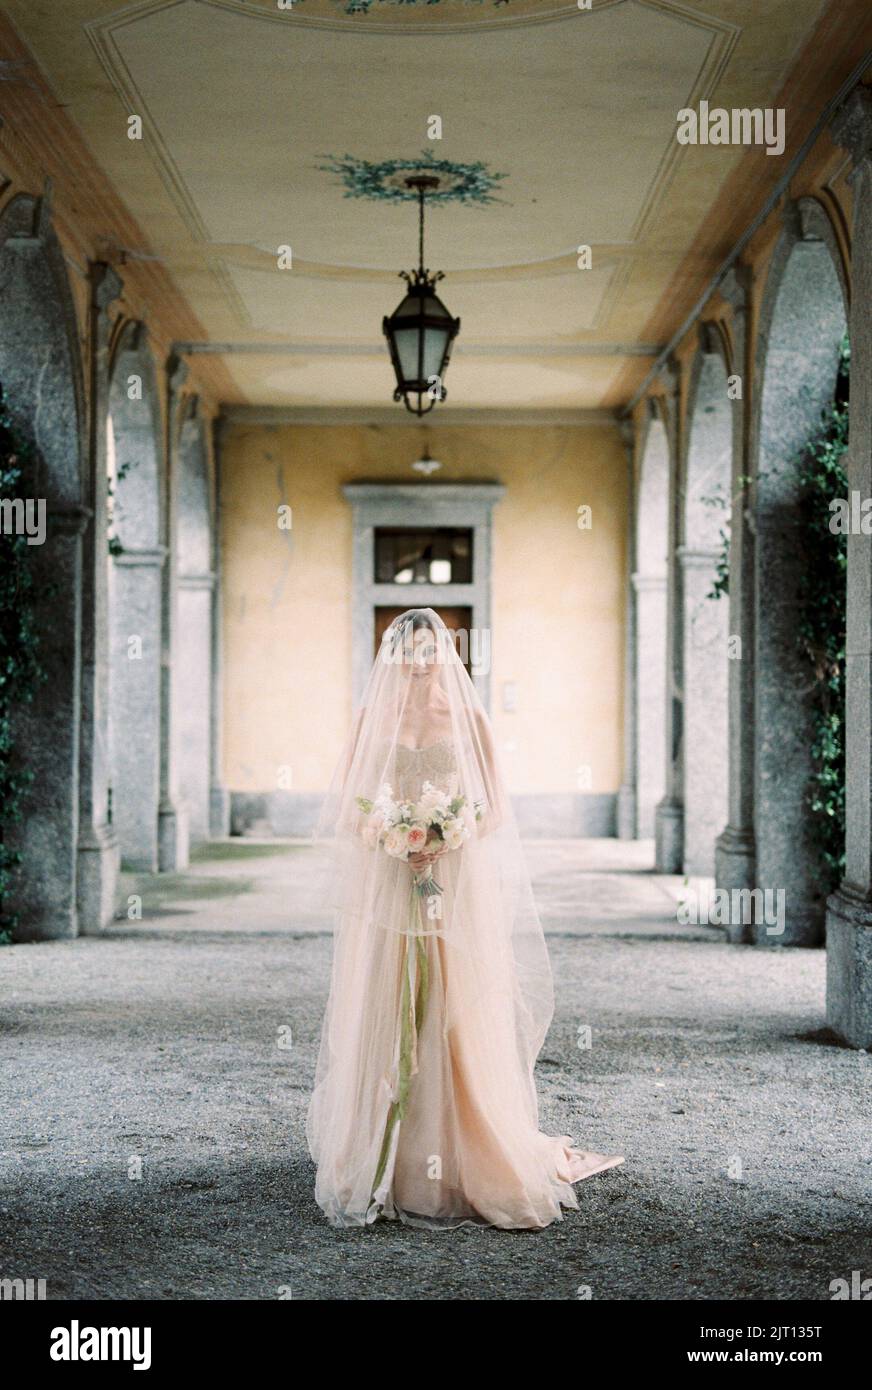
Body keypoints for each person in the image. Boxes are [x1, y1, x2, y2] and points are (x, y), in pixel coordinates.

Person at [307, 607, 623, 1229]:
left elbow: (497, 809)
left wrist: (446, 837)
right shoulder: (373, 718)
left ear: (444, 654)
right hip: (392, 881)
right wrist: (390, 833)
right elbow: (347, 805)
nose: (420, 662)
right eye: (409, 652)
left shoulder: (469, 717)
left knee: (453, 1003)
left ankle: (459, 1150)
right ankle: (383, 1152)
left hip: (451, 879)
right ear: (393, 656)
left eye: (430, 651)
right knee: (390, 999)